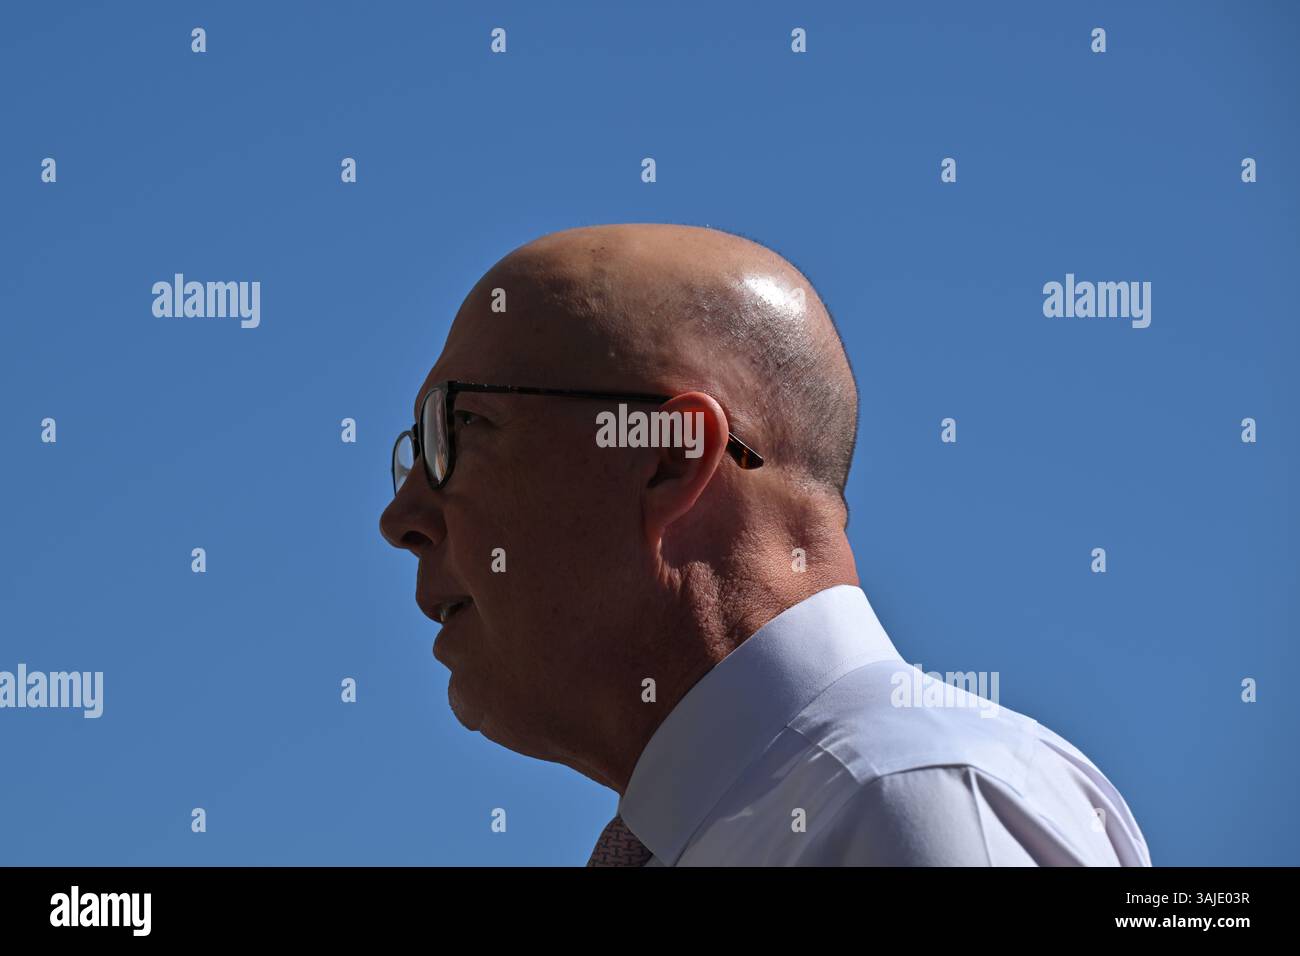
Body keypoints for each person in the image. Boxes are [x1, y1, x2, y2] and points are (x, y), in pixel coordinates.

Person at [379, 223, 1151, 866]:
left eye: (461, 426)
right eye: (415, 448)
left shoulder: (904, 801)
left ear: (669, 457)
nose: (401, 515)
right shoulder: (825, 813)